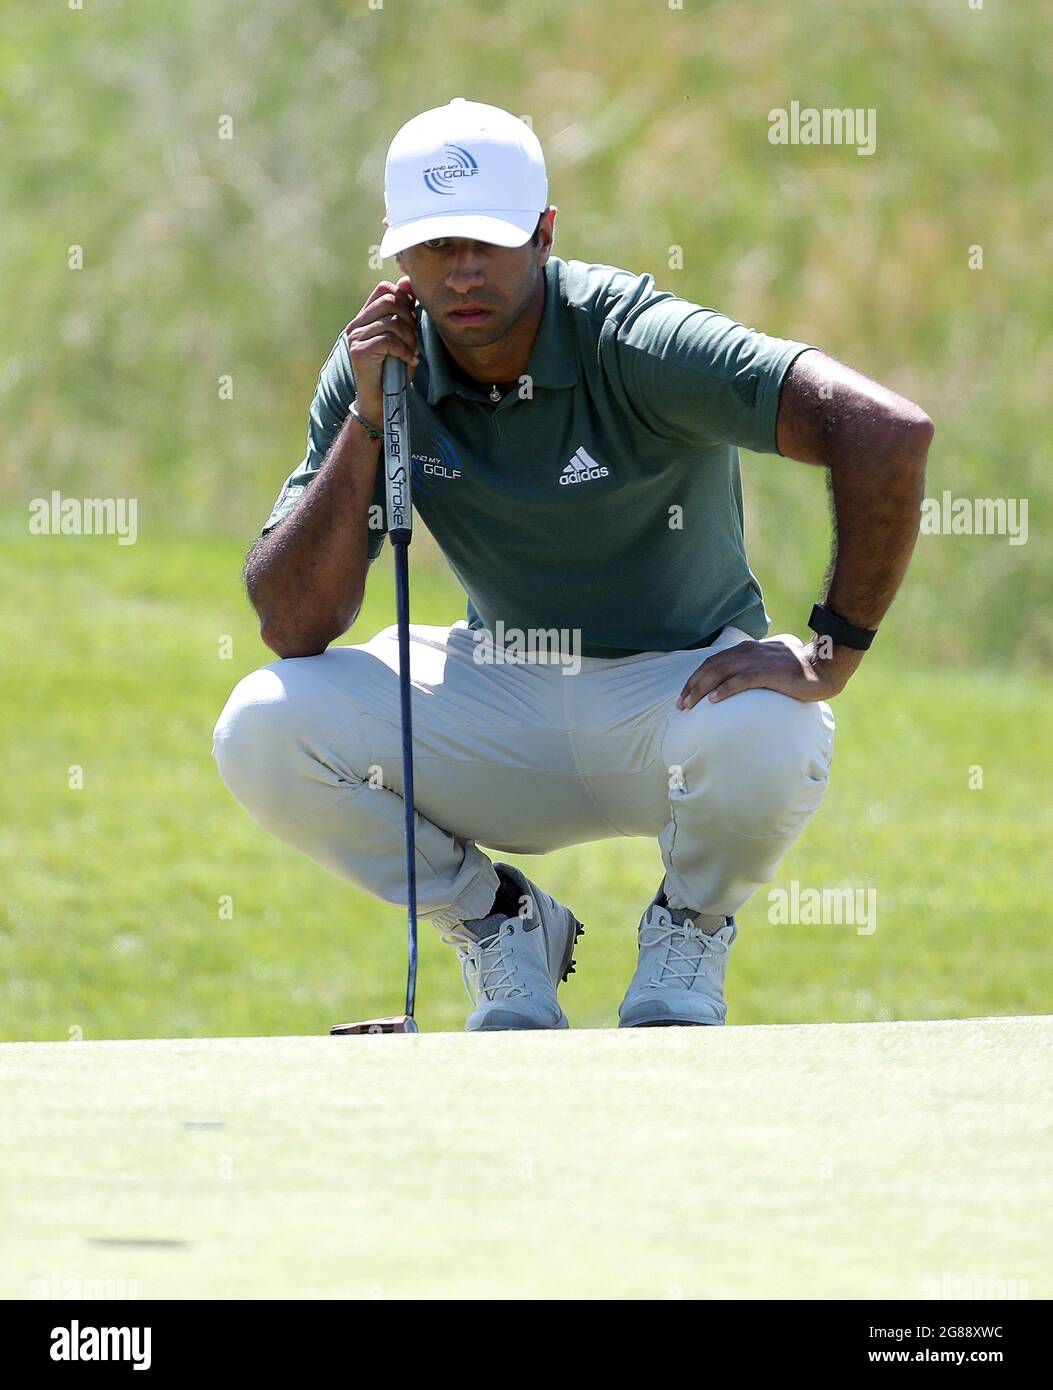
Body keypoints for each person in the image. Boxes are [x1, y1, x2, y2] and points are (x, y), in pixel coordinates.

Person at [213, 98, 933, 1031]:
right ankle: (498, 920)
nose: (461, 273)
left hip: (675, 698)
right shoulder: (376, 363)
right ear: (397, 256)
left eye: (489, 243)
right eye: (434, 248)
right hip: (503, 689)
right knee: (263, 725)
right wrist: (366, 416)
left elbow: (883, 431)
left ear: (543, 234)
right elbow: (294, 624)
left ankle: (690, 925)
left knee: (775, 731)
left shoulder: (634, 338)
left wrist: (831, 652)